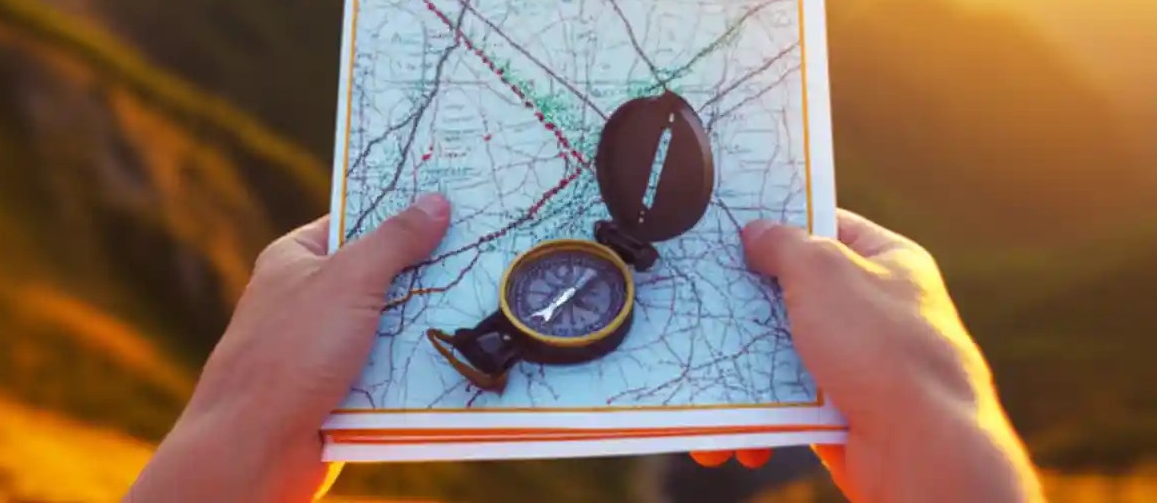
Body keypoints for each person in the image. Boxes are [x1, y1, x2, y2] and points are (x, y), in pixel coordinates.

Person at [125, 194, 1045, 502]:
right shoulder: (553, 301)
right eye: (560, 293)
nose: (566, 298)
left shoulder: (562, 295)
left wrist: (231, 429)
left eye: (572, 297)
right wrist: (936, 422)